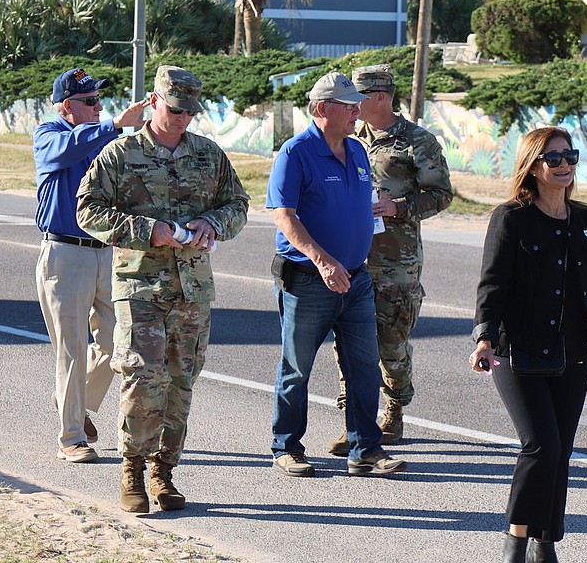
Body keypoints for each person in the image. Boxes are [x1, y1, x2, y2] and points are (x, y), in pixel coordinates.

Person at [76, 65, 249, 513]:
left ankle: (163, 473)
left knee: (180, 383)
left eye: (190, 111)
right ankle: (132, 468)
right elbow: (87, 211)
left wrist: (212, 223)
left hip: (192, 290)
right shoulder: (120, 154)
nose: (183, 118)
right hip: (139, 287)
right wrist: (145, 230)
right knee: (141, 378)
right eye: (175, 109)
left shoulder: (208, 155)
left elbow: (238, 205)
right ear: (153, 102)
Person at [467, 126, 587, 563]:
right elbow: (492, 284)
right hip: (517, 351)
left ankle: (546, 542)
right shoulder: (511, 218)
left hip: (574, 354)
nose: (564, 165)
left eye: (570, 157)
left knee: (562, 452)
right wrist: (484, 336)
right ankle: (515, 541)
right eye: (553, 159)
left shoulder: (585, 218)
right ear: (532, 166)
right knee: (541, 445)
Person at [267, 71, 406, 479]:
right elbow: (284, 216)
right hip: (310, 279)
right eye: (348, 106)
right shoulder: (295, 153)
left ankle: (365, 450)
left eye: (357, 104)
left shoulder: (358, 151)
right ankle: (287, 446)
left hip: (356, 278)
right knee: (297, 367)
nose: (357, 112)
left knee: (364, 366)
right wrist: (323, 260)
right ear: (322, 109)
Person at [328, 64, 453, 456]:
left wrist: (397, 206)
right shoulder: (347, 138)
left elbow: (441, 195)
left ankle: (395, 408)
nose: (350, 106)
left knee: (391, 343)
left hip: (396, 262)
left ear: (379, 97)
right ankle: (355, 423)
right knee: (347, 343)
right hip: (350, 257)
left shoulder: (417, 141)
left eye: (356, 98)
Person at [34, 67, 148, 464]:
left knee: (120, 344)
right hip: (64, 254)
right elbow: (68, 151)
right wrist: (116, 124)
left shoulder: (102, 141)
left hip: (106, 252)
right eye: (90, 101)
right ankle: (71, 438)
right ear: (67, 106)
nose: (98, 106)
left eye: (100, 100)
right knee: (72, 348)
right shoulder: (49, 135)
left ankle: (70, 398)